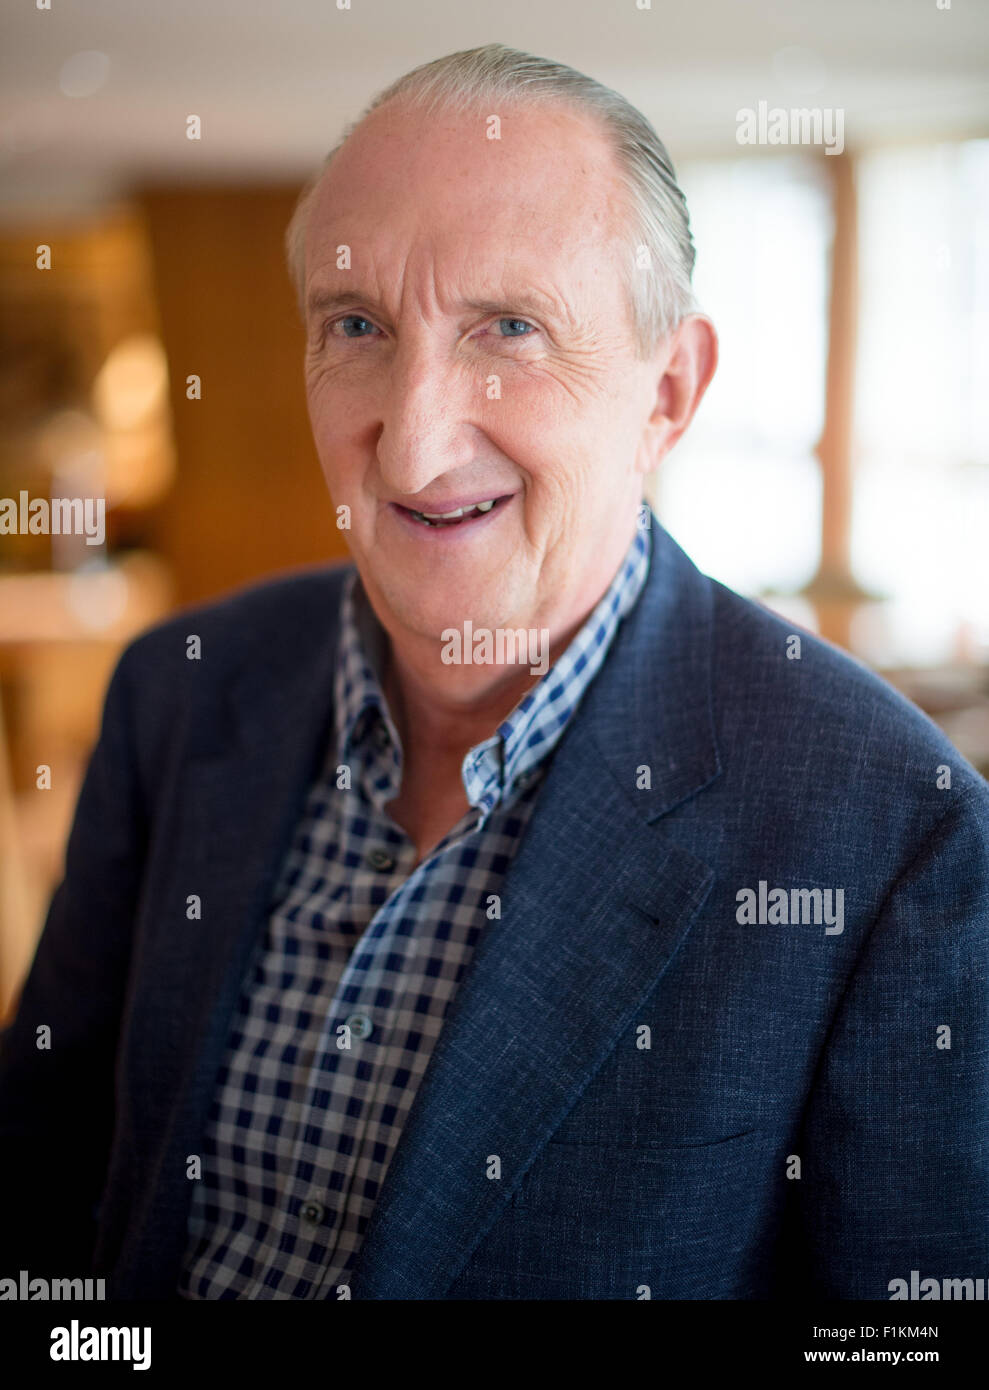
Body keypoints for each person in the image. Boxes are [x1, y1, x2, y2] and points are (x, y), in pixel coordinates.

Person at [2, 43, 987, 1301]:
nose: (411, 447)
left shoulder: (893, 834)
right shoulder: (180, 692)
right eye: (355, 326)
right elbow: (41, 1171)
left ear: (667, 392)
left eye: (508, 330)